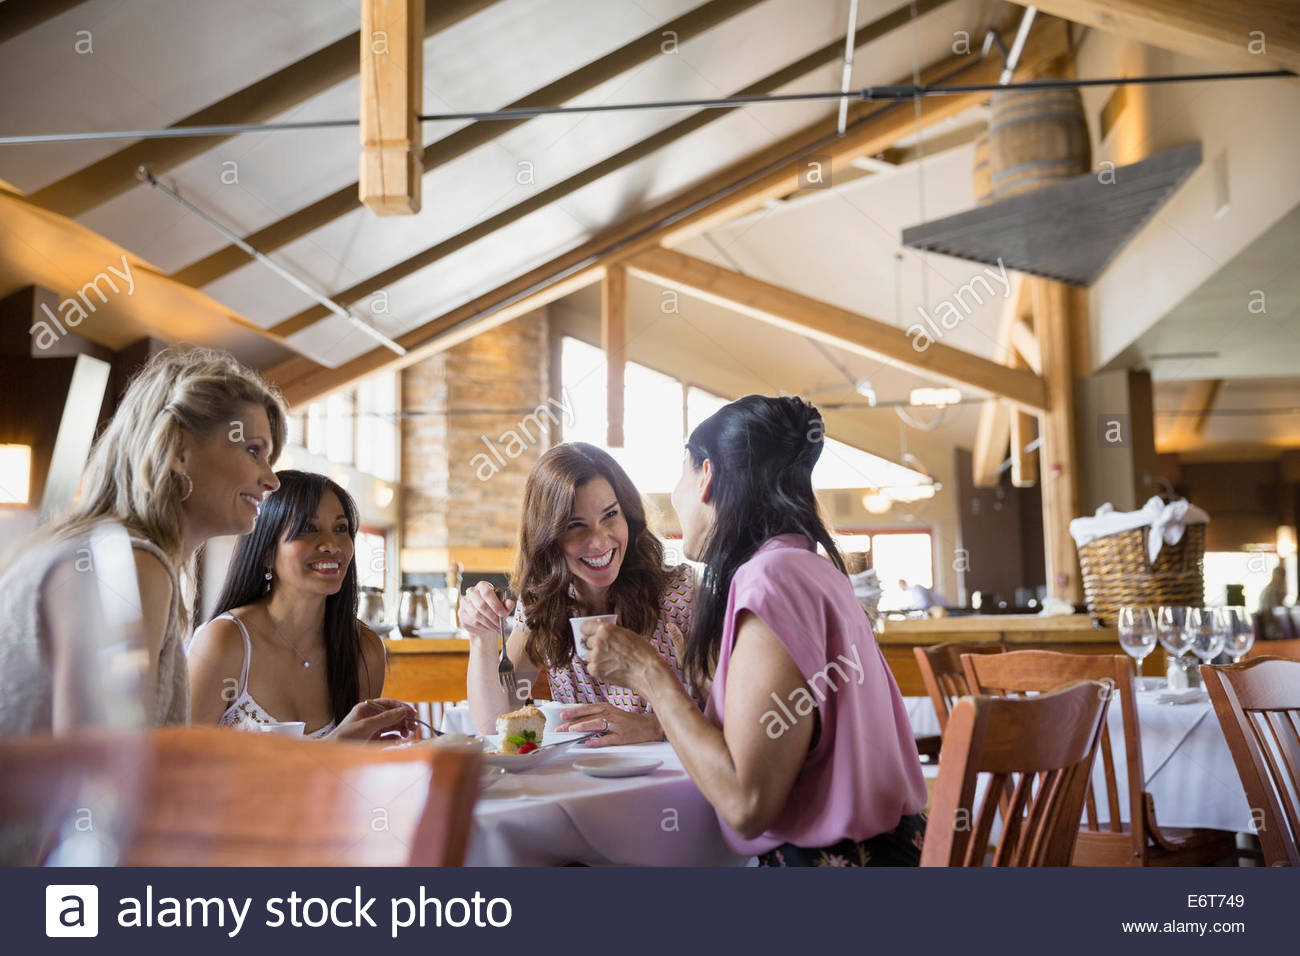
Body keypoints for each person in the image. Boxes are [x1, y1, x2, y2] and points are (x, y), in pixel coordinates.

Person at [0, 347, 413, 741]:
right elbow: (103, 778)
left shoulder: (116, 553)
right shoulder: (129, 563)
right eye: (254, 451)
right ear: (179, 448)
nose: (270, 480)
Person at [581, 395, 927, 865]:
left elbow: (745, 805)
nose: (675, 498)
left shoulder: (771, 580)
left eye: (679, 475)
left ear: (705, 477)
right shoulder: (809, 568)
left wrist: (648, 673)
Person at [458, 442, 694, 745]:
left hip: (672, 781)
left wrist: (654, 727)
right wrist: (481, 637)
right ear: (548, 536)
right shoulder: (543, 602)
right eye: (575, 525)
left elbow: (730, 716)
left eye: (610, 515)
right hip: (583, 779)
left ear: (628, 516)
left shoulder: (679, 594)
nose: (599, 542)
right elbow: (495, 722)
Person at [189, 471, 414, 741]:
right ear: (267, 552)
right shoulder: (225, 641)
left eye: (341, 529)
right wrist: (333, 750)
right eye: (308, 529)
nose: (332, 545)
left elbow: (347, 776)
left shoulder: (364, 650)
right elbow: (181, 768)